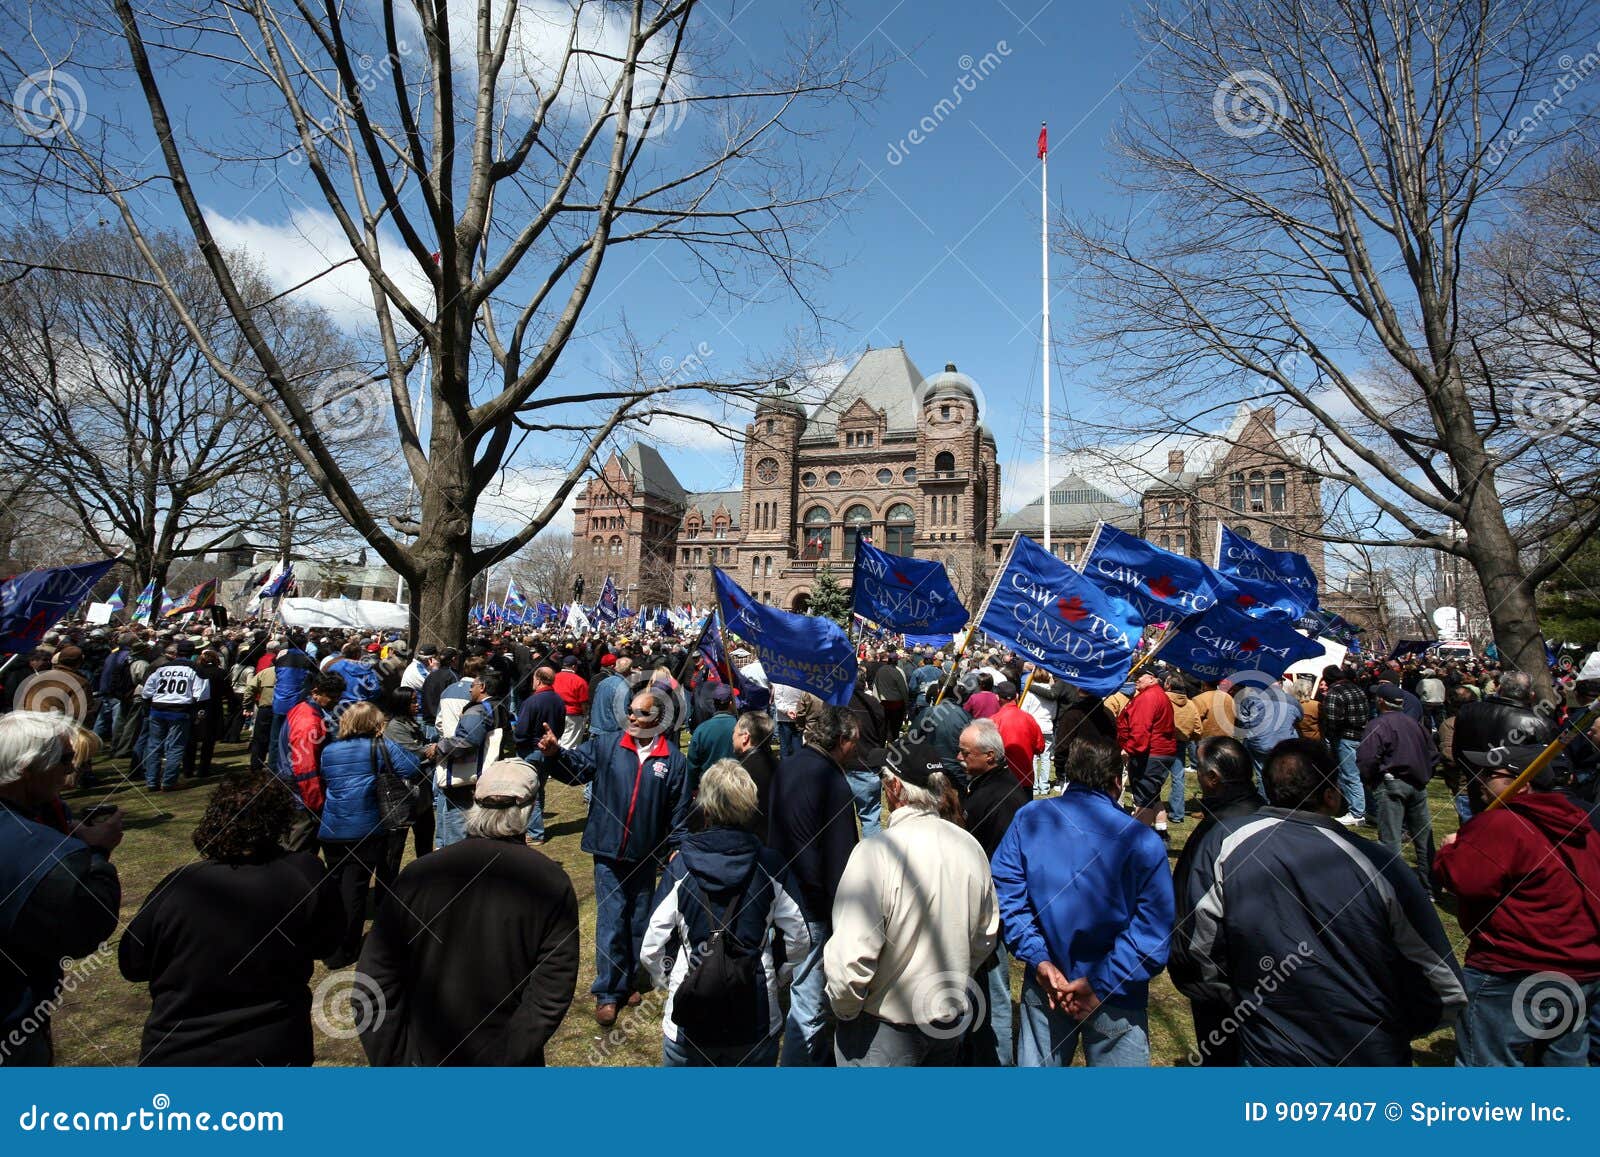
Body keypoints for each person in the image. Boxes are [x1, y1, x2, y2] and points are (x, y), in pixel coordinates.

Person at [1179, 740, 1465, 1065]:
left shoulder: (1225, 847)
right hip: (1336, 1053)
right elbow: (1443, 983)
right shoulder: (1382, 866)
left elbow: (1197, 951)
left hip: (1297, 1053)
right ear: (1331, 795)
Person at [358, 760, 579, 1065]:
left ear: (474, 803)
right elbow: (551, 992)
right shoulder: (550, 881)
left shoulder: (418, 875)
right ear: (529, 810)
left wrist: (396, 1060)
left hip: (429, 1054)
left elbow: (374, 980)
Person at [119, 770, 342, 1065]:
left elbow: (134, 963)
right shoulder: (304, 874)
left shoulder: (179, 885)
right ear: (279, 820)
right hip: (272, 1046)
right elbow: (328, 943)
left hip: (182, 1052)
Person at [992, 734, 1174, 1066]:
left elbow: (1007, 897)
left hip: (1062, 983)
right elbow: (1153, 929)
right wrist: (1046, 962)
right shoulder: (1142, 840)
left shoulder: (1031, 818)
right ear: (1117, 782)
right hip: (1100, 988)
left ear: (1069, 774)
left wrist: (1042, 960)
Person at [825, 734, 998, 1066]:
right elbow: (985, 934)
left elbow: (850, 959)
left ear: (894, 789)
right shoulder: (969, 847)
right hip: (945, 1019)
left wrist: (846, 1011)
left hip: (884, 1029)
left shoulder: (874, 854)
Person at [1434, 745, 1600, 1066]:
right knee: (1565, 1064)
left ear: (1521, 785)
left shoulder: (1504, 824)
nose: (1480, 780)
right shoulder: (1582, 827)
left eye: (1491, 774)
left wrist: (1449, 851)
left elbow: (1464, 879)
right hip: (1579, 972)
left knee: (1488, 1067)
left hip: (1514, 972)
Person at [537, 687, 692, 1027]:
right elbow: (576, 770)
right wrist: (555, 754)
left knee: (639, 920)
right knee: (611, 918)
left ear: (659, 719)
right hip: (607, 850)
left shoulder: (673, 760)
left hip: (645, 855)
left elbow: (679, 809)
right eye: (631, 710)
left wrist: (677, 846)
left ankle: (629, 979)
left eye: (642, 713)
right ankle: (608, 991)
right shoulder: (607, 745)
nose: (632, 717)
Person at [641, 759, 810, 1067]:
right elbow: (798, 937)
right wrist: (774, 973)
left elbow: (653, 946)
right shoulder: (770, 865)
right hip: (755, 1016)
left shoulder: (680, 867)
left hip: (690, 1019)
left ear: (704, 807)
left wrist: (672, 977)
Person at [0, 712, 122, 1066]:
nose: (72, 769)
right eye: (66, 759)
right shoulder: (38, 851)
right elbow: (86, 924)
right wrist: (97, 851)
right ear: (27, 769)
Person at [768, 705, 862, 1066]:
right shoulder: (833, 783)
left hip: (780, 891)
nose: (857, 749)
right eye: (854, 742)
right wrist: (843, 913)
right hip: (812, 905)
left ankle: (817, 1056)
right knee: (808, 1001)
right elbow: (841, 858)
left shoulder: (788, 765)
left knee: (793, 982)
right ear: (841, 740)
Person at [1168, 735, 1264, 1065]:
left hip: (1227, 987)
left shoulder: (1216, 834)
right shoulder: (1263, 816)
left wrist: (1206, 985)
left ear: (1212, 778)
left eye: (1198, 769)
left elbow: (1195, 916)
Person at [315, 701, 426, 968]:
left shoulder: (329, 750)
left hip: (332, 827)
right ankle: (345, 948)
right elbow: (411, 767)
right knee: (355, 888)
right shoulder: (379, 746)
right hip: (364, 826)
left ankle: (331, 941)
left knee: (337, 884)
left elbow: (327, 778)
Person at [956, 718, 1030, 1066]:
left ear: (989, 756)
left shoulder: (1002, 797)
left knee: (994, 989)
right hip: (981, 906)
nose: (959, 757)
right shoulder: (986, 785)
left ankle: (997, 1059)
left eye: (965, 752)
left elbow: (1000, 862)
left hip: (991, 909)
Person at [1357, 684, 1440, 895]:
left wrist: (1369, 780)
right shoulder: (1415, 724)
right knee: (1423, 838)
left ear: (1381, 701)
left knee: (1390, 839)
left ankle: (1395, 888)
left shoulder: (1378, 724)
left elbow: (1367, 758)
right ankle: (1431, 886)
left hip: (1391, 784)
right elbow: (1433, 754)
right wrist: (1424, 775)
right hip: (1417, 785)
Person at [433, 669, 513, 849]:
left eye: (473, 685)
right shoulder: (500, 707)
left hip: (466, 782)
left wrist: (438, 747)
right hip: (489, 776)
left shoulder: (477, 710)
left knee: (457, 834)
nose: (470, 689)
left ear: (482, 687)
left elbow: (466, 741)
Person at [276, 671, 346, 853]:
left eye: (338, 697)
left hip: (293, 788)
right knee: (298, 849)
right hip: (302, 796)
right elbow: (306, 768)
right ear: (316, 692)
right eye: (332, 697)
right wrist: (316, 803)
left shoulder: (303, 709)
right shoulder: (309, 723)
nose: (336, 701)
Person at [139, 640, 210, 791]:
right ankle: (169, 781)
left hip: (157, 709)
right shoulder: (196, 669)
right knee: (175, 747)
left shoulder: (161, 668)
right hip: (180, 711)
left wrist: (148, 706)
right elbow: (202, 695)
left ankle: (151, 781)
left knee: (154, 746)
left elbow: (146, 692)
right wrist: (199, 713)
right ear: (193, 653)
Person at [1118, 670, 1179, 831]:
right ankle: (1161, 831)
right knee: (1152, 796)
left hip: (1150, 754)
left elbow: (1141, 728)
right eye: (1135, 676)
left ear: (1152, 678)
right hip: (1159, 752)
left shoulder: (1148, 697)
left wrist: (1129, 749)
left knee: (1144, 801)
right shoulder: (1155, 694)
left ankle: (1138, 839)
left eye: (1140, 676)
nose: (1136, 679)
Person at [513, 666, 566, 844]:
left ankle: (535, 832)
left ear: (538, 679)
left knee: (530, 792)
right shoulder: (558, 700)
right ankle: (534, 828)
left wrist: (518, 739)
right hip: (548, 750)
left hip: (531, 750)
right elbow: (560, 727)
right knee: (538, 789)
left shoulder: (532, 702)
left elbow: (521, 731)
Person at [1320, 664, 1371, 825]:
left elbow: (1332, 719)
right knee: (1358, 775)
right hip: (1361, 736)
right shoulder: (1357, 689)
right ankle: (1365, 808)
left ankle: (1356, 812)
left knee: (1350, 775)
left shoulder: (1335, 692)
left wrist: (1330, 735)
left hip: (1344, 738)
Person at [269, 629, 320, 772]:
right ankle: (289, 770)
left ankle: (273, 768)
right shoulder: (307, 659)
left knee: (275, 739)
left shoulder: (280, 658)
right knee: (293, 740)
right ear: (304, 645)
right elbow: (317, 677)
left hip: (279, 702)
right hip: (296, 704)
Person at [730, 710, 778, 843]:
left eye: (734, 732)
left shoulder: (738, 773)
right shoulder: (779, 765)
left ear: (745, 737)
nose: (732, 737)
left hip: (748, 843)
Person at [991, 680, 1044, 791]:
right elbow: (1040, 747)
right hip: (1025, 779)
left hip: (1002, 781)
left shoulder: (993, 721)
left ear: (997, 697)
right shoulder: (1029, 718)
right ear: (1016, 696)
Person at [1166, 674, 1203, 822]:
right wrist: (1189, 737)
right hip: (1181, 743)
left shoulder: (1162, 699)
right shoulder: (1191, 704)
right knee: (1178, 778)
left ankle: (1152, 810)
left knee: (1155, 777)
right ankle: (1177, 814)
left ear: (1168, 685)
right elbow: (1198, 728)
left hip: (1162, 743)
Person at [687, 683, 738, 786]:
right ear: (731, 703)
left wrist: (694, 786)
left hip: (709, 785)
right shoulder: (741, 727)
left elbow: (692, 765)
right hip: (735, 784)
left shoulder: (701, 730)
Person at [873, 651, 909, 738]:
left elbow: (875, 686)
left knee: (885, 726)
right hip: (896, 704)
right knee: (895, 727)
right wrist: (906, 704)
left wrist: (876, 700)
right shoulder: (898, 671)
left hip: (884, 703)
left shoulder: (880, 670)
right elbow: (903, 689)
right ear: (896, 661)